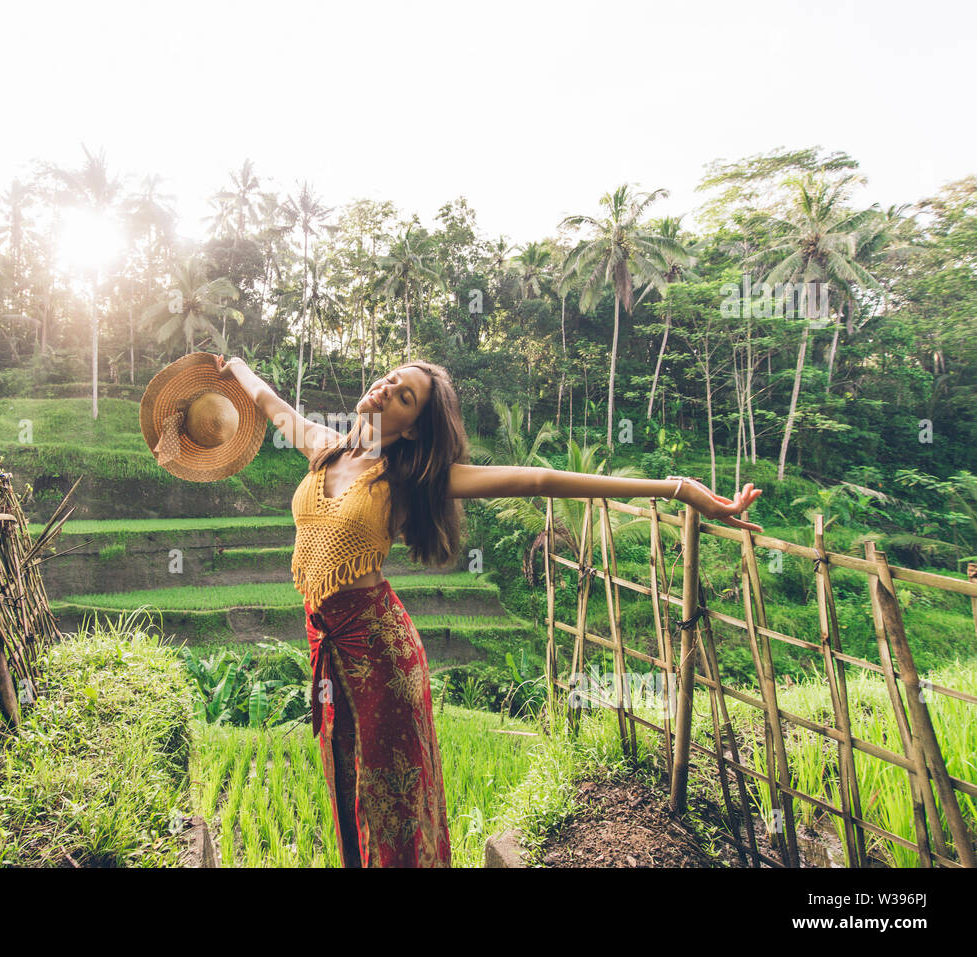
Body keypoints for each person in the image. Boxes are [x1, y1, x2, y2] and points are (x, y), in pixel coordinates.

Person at [216, 354, 762, 867]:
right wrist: (233, 366)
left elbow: (538, 479)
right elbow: (270, 404)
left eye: (405, 396)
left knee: (392, 797)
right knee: (344, 774)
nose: (386, 390)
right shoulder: (325, 448)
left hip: (380, 649)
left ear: (411, 427)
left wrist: (679, 488)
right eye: (390, 379)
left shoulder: (411, 476)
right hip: (326, 641)